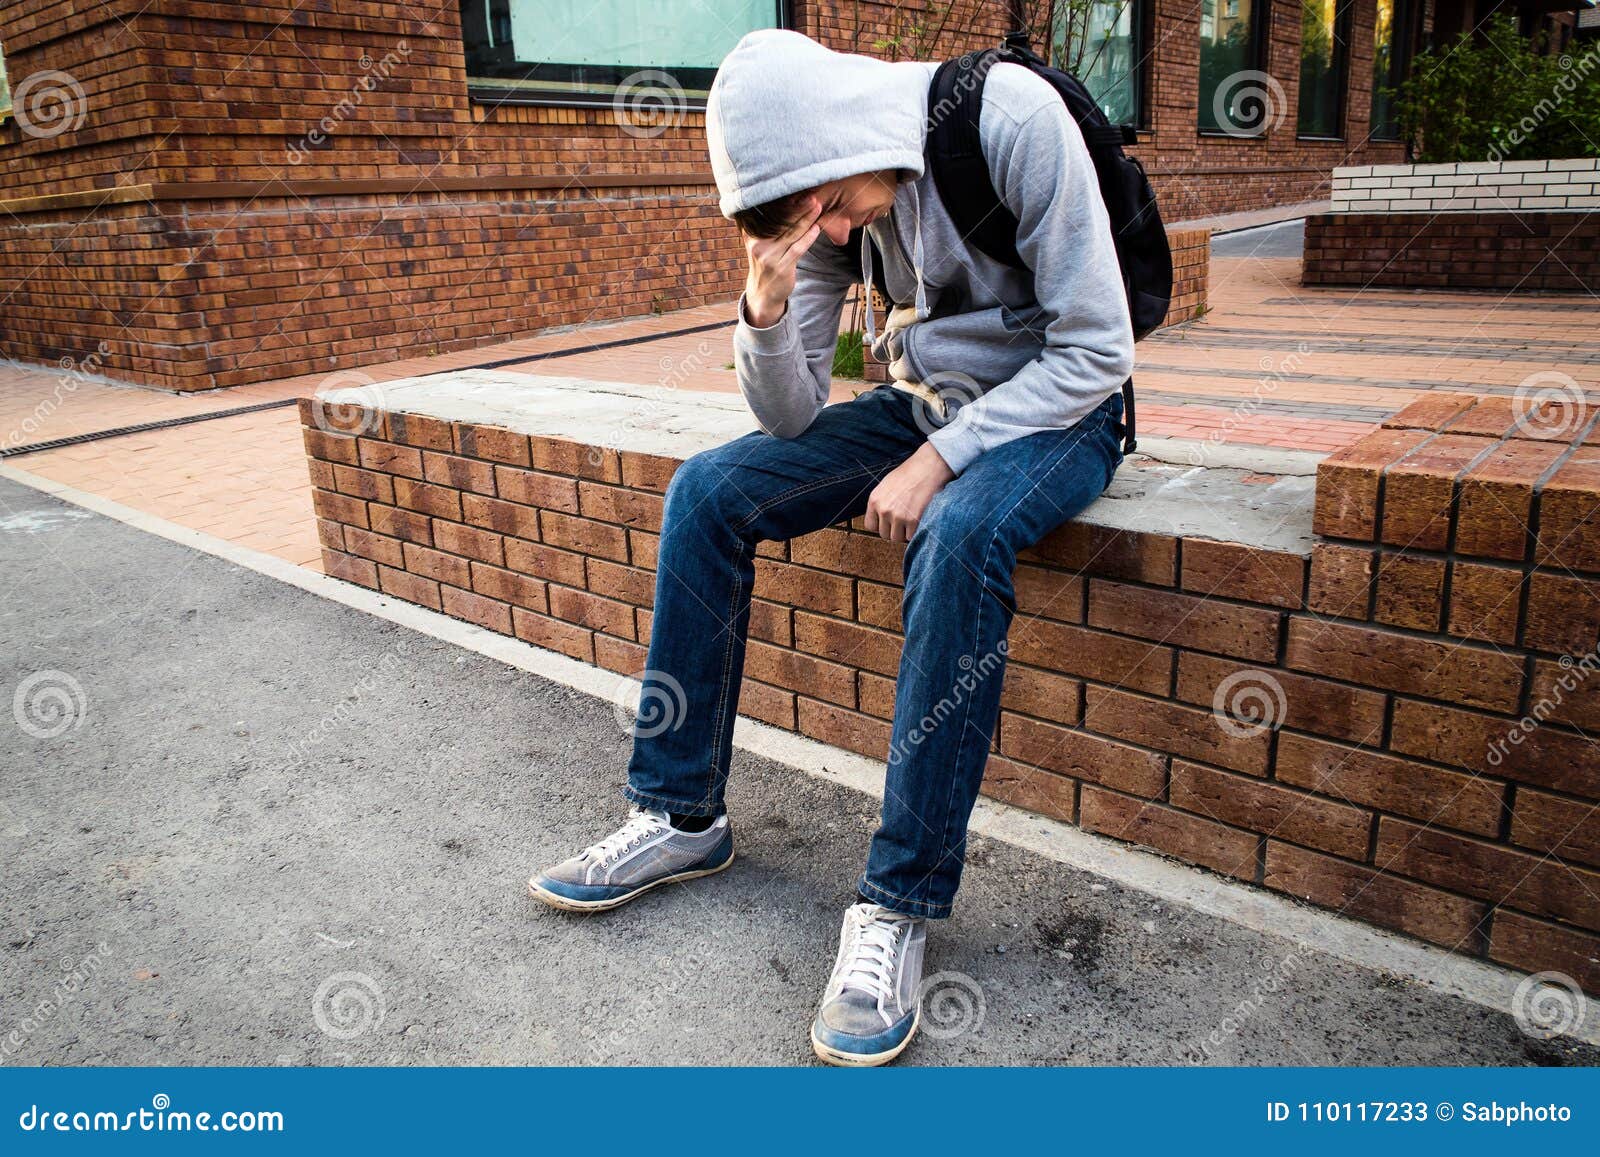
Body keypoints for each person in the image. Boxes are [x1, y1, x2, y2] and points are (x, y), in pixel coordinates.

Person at [528, 27, 1134, 1067]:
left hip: (1059, 411)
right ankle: (679, 812)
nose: (835, 227)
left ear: (838, 135)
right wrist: (764, 303)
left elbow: (1097, 345)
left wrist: (943, 456)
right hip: (927, 407)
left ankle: (896, 903)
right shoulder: (829, 203)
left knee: (953, 532)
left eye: (829, 206)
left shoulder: (1013, 124)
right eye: (812, 217)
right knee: (708, 489)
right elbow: (789, 412)